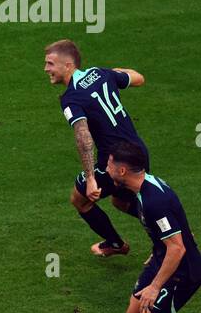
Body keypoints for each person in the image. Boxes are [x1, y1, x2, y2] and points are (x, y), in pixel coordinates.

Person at [105, 142, 201, 313]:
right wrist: (157, 251)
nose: (106, 168)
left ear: (123, 170)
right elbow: (178, 228)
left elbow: (178, 248)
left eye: (109, 164)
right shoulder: (146, 186)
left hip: (183, 272)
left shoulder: (153, 201)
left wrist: (155, 286)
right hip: (164, 256)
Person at [43, 39, 147, 256]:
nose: (46, 69)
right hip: (138, 150)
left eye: (51, 64)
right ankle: (172, 230)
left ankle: (117, 243)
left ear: (68, 65)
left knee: (80, 200)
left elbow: (83, 136)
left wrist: (91, 177)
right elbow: (138, 79)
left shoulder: (71, 98)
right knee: (121, 201)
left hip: (115, 162)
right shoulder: (101, 73)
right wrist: (112, 72)